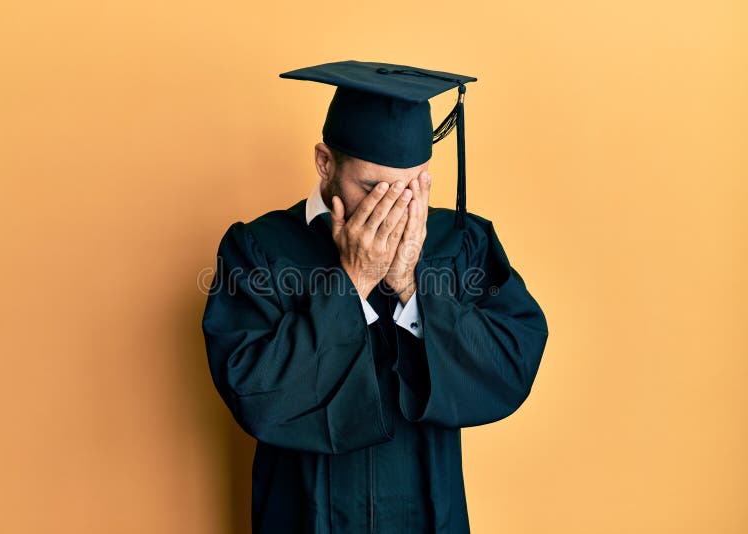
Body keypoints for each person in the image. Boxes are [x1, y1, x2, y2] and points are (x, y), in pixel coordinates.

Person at [201, 60, 549, 534]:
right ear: (326, 163)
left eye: (412, 187)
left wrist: (410, 285)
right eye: (372, 187)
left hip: (429, 517)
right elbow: (256, 394)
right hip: (304, 517)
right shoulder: (258, 251)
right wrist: (354, 281)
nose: (395, 208)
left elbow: (508, 365)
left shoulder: (462, 243)